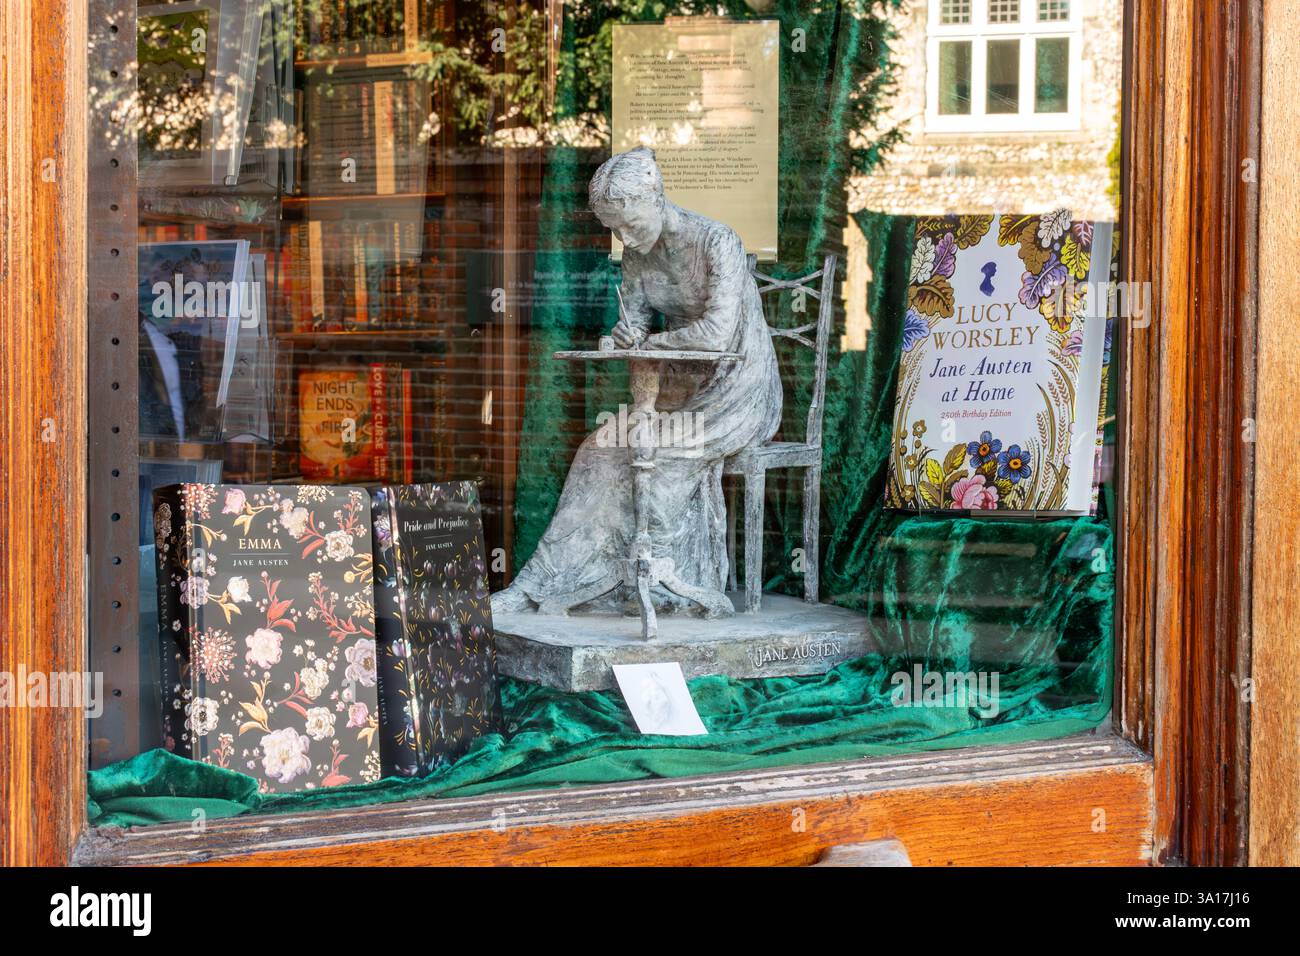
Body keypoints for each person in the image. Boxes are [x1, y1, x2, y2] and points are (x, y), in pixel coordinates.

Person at [491, 146, 782, 615]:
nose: (624, 236)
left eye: (630, 223)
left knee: (661, 452)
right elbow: (635, 326)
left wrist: (647, 344)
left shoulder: (716, 241)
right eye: (614, 229)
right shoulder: (637, 255)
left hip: (739, 387)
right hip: (679, 389)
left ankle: (661, 581)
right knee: (598, 450)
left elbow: (717, 334)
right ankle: (539, 585)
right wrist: (628, 333)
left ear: (656, 199)